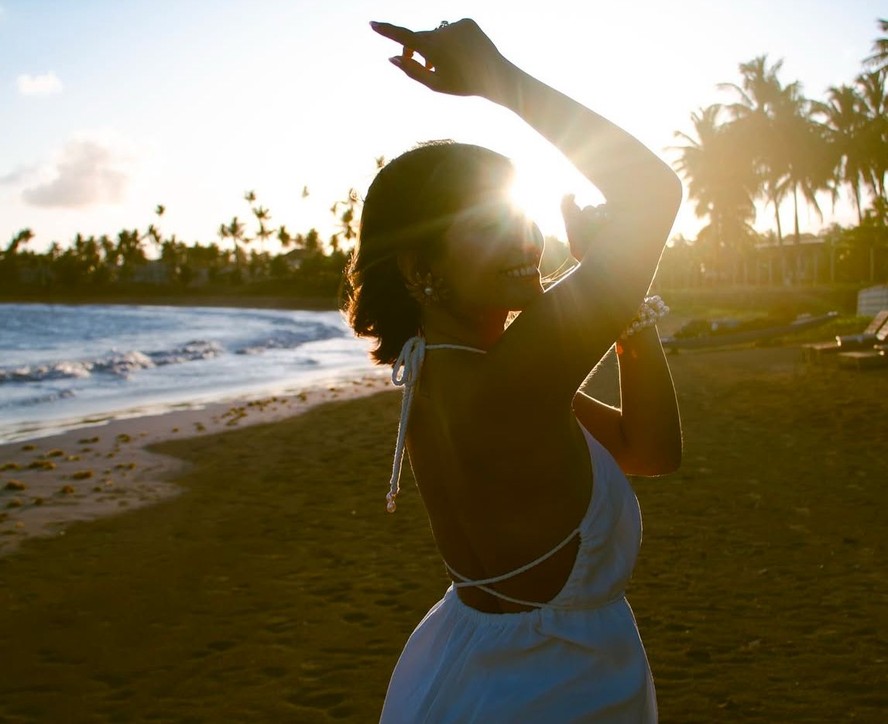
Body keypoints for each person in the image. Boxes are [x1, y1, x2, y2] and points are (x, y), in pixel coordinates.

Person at [343, 18, 682, 722]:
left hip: (483, 673)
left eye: (519, 212)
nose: (525, 237)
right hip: (549, 693)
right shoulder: (504, 384)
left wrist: (627, 319)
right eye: (488, 222)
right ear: (420, 269)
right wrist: (497, 79)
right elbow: (654, 193)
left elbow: (648, 451)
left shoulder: (454, 371)